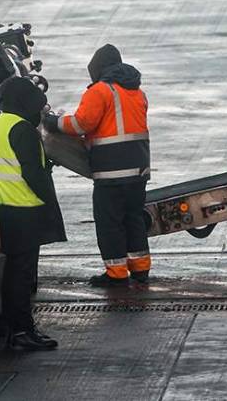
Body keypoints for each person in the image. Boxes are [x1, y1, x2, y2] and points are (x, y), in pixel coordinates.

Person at [43, 44, 151, 287]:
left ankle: (116, 274)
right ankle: (140, 268)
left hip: (111, 171)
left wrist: (53, 122)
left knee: (109, 223)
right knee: (133, 218)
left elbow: (81, 124)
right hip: (138, 169)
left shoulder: (101, 91)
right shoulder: (137, 92)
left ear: (98, 69)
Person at [0, 76, 67, 350]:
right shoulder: (22, 129)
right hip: (26, 208)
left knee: (13, 272)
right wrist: (49, 204)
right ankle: (22, 332)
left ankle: (14, 327)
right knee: (22, 276)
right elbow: (32, 173)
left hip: (7, 208)